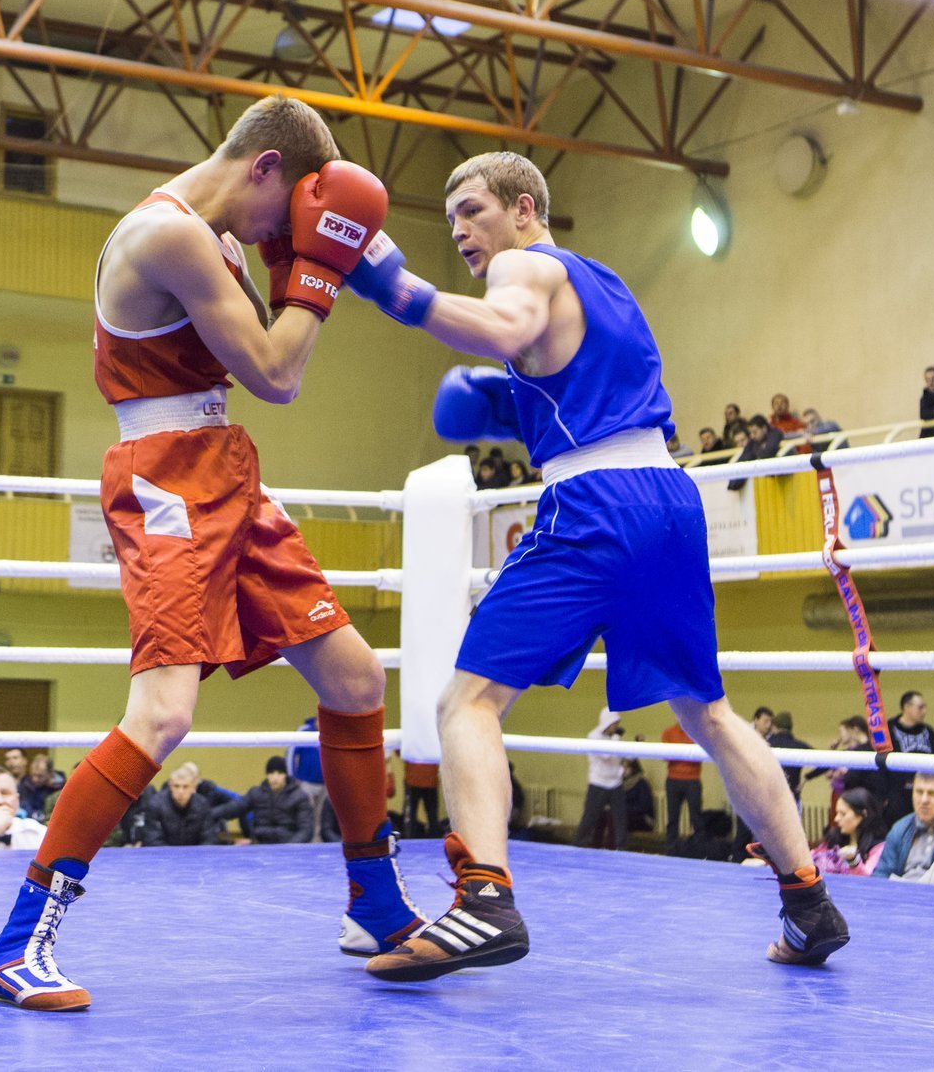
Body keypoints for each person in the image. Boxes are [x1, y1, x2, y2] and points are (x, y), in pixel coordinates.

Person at [347, 150, 846, 981]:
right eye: (451, 218)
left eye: (472, 209)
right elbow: (564, 376)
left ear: (523, 207)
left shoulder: (521, 265)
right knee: (709, 713)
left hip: (595, 506)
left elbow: (505, 329)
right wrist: (507, 397)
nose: (461, 231)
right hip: (667, 496)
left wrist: (389, 283)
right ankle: (809, 902)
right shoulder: (602, 283)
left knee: (465, 703)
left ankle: (484, 901)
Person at [0, 98, 419, 1012]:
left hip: (227, 472)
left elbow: (263, 355)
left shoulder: (215, 238)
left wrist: (296, 256)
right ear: (263, 168)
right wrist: (319, 268)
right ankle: (17, 944)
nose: (280, 229)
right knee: (164, 716)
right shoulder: (166, 235)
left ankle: (375, 904)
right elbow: (279, 372)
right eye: (286, 209)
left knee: (355, 679)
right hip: (168, 479)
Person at [211, 756, 316, 845]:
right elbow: (235, 807)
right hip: (260, 845)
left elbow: (306, 830)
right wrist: (208, 814)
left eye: (279, 773)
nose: (275, 777)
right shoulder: (256, 793)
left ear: (285, 775)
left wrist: (290, 847)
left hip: (287, 844)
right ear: (267, 775)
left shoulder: (300, 797)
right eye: (271, 773)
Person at [875, 771, 934, 880]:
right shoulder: (900, 828)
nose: (924, 800)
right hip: (901, 892)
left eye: (932, 793)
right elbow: (881, 874)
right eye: (919, 792)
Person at [574, 709, 631, 851]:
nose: (616, 726)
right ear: (607, 722)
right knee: (589, 818)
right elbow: (606, 755)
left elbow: (621, 757)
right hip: (598, 782)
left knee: (620, 820)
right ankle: (577, 846)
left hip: (616, 783)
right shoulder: (593, 736)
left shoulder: (615, 738)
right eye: (614, 723)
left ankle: (621, 849)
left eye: (617, 723)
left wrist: (623, 769)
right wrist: (617, 739)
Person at [130, 764, 223, 847]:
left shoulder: (202, 805)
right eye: (176, 786)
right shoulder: (156, 804)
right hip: (164, 859)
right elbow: (152, 840)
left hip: (195, 858)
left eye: (185, 786)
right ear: (170, 786)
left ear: (193, 788)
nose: (180, 791)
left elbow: (209, 839)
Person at [885, 691, 934, 824]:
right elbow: (882, 763)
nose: (924, 711)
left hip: (924, 792)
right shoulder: (888, 730)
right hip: (897, 794)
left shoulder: (928, 731)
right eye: (920, 707)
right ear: (907, 707)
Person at [811, 789, 886, 878]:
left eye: (843, 814)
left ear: (863, 814)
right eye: (837, 813)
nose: (836, 819)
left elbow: (867, 880)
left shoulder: (878, 847)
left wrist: (853, 861)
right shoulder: (832, 838)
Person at [659, 719, 702, 850]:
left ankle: (699, 848)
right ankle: (671, 848)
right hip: (673, 779)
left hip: (692, 779)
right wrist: (687, 755)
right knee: (672, 817)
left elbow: (699, 755)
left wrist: (678, 755)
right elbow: (665, 756)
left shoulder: (697, 732)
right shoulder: (668, 732)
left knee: (696, 817)